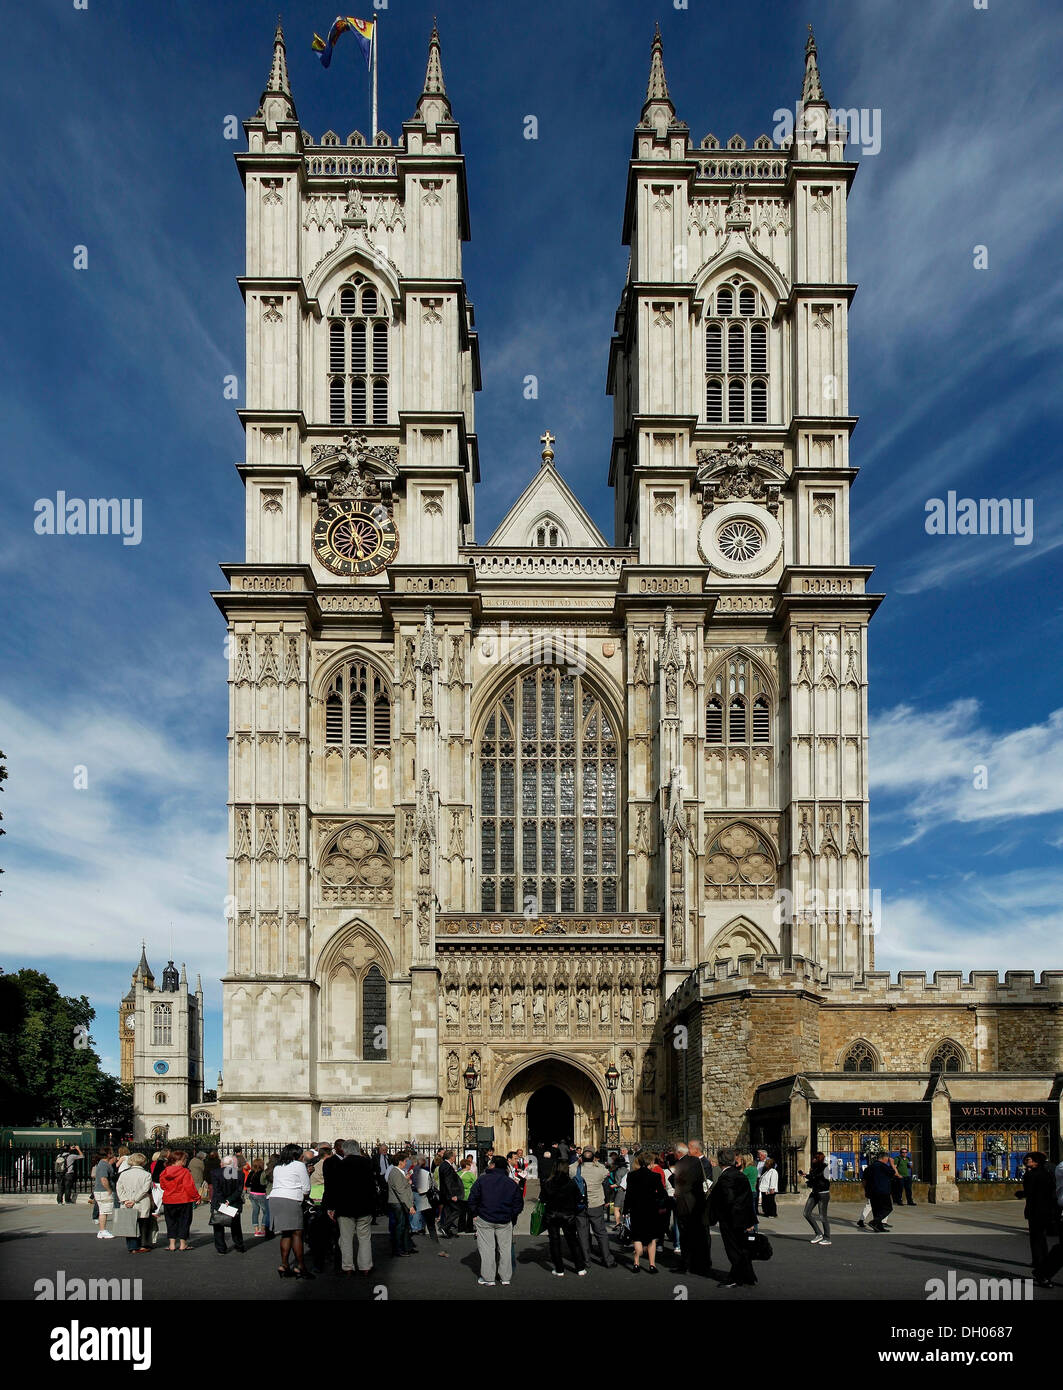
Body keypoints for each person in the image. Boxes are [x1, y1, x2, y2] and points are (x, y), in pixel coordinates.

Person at [469, 1153, 524, 1286]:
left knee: (487, 1248)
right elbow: (519, 1203)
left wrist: (475, 1213)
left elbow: (472, 1199)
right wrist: (512, 1215)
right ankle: (505, 1277)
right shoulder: (511, 1183)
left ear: (492, 1165)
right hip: (504, 1219)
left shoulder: (482, 1180)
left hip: (485, 1217)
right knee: (505, 1248)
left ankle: (489, 1278)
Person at [326, 1140, 378, 1276]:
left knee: (345, 1238)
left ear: (344, 1150)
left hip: (344, 1207)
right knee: (364, 1238)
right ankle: (365, 1266)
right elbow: (372, 1186)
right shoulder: (367, 1163)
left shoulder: (339, 1164)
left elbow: (333, 1188)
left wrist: (330, 1206)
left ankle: (348, 1267)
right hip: (364, 1206)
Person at [709, 1148, 758, 1287]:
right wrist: (750, 1220)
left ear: (720, 1162)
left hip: (731, 1220)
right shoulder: (739, 1175)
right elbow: (748, 1199)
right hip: (741, 1218)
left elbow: (729, 1200)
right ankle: (748, 1276)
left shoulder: (726, 1178)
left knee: (733, 1250)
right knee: (741, 1248)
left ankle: (736, 1277)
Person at [1016, 1151, 1063, 1288]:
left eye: (1029, 1159)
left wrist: (1022, 1194)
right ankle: (1042, 1268)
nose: (1026, 1161)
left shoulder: (1035, 1174)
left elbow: (1032, 1192)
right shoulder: (1054, 1170)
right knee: (1040, 1237)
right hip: (1046, 1210)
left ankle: (1041, 1266)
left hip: (1039, 1210)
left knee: (1038, 1237)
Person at [269, 1143, 314, 1278]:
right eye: (300, 1154)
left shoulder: (278, 1166)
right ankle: (300, 1267)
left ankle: (284, 1264)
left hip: (275, 1199)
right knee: (297, 1233)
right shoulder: (299, 1165)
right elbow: (306, 1189)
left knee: (286, 1233)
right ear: (296, 1155)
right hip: (290, 1199)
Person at [623, 1150, 666, 1274]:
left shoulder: (631, 1175)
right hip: (651, 1209)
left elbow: (629, 1194)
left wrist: (626, 1209)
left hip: (636, 1209)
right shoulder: (655, 1176)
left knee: (637, 1236)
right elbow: (662, 1193)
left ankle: (636, 1262)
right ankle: (652, 1265)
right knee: (652, 1238)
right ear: (651, 1163)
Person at [672, 1142, 712, 1275]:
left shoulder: (681, 1164)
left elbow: (679, 1182)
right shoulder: (696, 1162)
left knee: (685, 1236)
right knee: (697, 1235)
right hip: (697, 1203)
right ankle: (700, 1264)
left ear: (678, 1153)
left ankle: (686, 1264)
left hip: (685, 1204)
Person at [576, 1148, 617, 1268]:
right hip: (596, 1204)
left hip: (580, 1205)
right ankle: (607, 1259)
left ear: (581, 1158)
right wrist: (596, 1162)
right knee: (601, 1233)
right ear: (594, 1158)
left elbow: (569, 1169)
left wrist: (578, 1162)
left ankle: (586, 1260)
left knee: (582, 1233)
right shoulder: (600, 1170)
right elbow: (607, 1172)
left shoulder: (576, 1170)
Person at [159, 1150, 201, 1252]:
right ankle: (183, 1244)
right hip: (184, 1199)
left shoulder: (165, 1171)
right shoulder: (185, 1172)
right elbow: (189, 1186)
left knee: (171, 1222)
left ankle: (172, 1244)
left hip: (169, 1199)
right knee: (184, 1221)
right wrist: (197, 1197)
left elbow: (162, 1186)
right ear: (181, 1160)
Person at [115, 1153, 153, 1254]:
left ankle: (132, 1246)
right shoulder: (147, 1174)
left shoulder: (123, 1173)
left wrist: (125, 1199)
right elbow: (145, 1190)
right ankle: (143, 1244)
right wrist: (134, 1199)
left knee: (130, 1224)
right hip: (141, 1202)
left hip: (127, 1202)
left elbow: (119, 1187)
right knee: (143, 1224)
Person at [209, 1155, 246, 1255]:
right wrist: (229, 1200)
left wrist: (222, 1200)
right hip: (234, 1202)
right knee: (236, 1225)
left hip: (219, 1202)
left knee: (218, 1225)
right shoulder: (239, 1174)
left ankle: (221, 1248)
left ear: (223, 1163)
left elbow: (217, 1190)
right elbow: (239, 1190)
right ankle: (239, 1245)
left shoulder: (215, 1173)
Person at [387, 1155, 417, 1257]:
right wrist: (410, 1206)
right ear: (400, 1162)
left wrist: (406, 1180)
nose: (406, 1163)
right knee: (400, 1226)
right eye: (405, 1161)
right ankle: (398, 1249)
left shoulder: (399, 1172)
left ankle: (406, 1247)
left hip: (401, 1202)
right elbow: (400, 1191)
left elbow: (401, 1186)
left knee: (404, 1225)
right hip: (398, 1203)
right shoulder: (395, 1172)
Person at [800, 1152, 831, 1246]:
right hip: (814, 1192)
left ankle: (827, 1237)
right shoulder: (815, 1167)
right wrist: (806, 1175)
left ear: (818, 1159)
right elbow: (814, 1177)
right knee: (806, 1213)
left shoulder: (824, 1167)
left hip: (823, 1194)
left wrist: (810, 1176)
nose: (813, 1159)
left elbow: (819, 1178)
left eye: (815, 1158)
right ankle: (818, 1233)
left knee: (822, 1216)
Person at [867, 1153, 894, 1233]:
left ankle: (879, 1227)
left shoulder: (870, 1166)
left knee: (876, 1210)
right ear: (883, 1158)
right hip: (882, 1190)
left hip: (872, 1191)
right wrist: (892, 1164)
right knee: (888, 1208)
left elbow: (864, 1179)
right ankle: (874, 1222)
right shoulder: (883, 1166)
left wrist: (866, 1191)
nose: (887, 1160)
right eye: (887, 1159)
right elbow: (893, 1173)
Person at [93, 1148, 116, 1239]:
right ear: (108, 1154)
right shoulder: (103, 1165)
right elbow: (103, 1179)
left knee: (104, 1211)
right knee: (104, 1211)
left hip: (101, 1190)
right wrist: (108, 1189)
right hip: (103, 1191)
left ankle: (102, 1230)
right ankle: (102, 1230)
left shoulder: (103, 1164)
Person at [246, 1157, 271, 1237]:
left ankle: (256, 1230)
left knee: (255, 1211)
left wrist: (252, 1185)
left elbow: (246, 1184)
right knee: (266, 1212)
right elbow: (264, 1184)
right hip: (261, 1194)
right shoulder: (263, 1173)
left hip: (252, 1194)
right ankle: (263, 1229)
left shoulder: (251, 1173)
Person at [458, 1155, 477, 1232]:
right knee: (470, 1213)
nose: (470, 1166)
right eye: (469, 1164)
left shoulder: (458, 1174)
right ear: (466, 1165)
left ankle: (461, 1228)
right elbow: (476, 1184)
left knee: (461, 1213)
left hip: (460, 1195)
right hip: (469, 1195)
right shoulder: (470, 1174)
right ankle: (469, 1228)